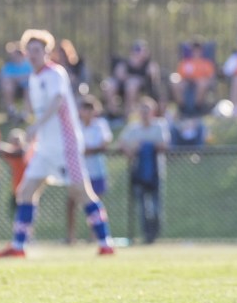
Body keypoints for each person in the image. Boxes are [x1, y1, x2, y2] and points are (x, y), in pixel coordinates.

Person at [0, 29, 114, 258]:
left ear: (47, 52)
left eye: (37, 50)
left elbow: (58, 101)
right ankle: (19, 247)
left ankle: (105, 242)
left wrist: (37, 125)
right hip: (45, 148)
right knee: (25, 191)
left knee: (82, 192)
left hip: (65, 145)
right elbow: (38, 109)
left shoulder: (55, 73)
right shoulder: (34, 77)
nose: (33, 54)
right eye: (29, 50)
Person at [118, 97, 170, 245]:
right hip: (139, 173)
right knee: (142, 208)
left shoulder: (159, 125)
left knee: (155, 207)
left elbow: (164, 144)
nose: (144, 114)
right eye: (142, 111)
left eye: (147, 111)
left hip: (156, 173)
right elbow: (121, 143)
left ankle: (155, 234)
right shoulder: (133, 128)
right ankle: (146, 236)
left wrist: (147, 146)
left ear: (152, 112)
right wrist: (132, 151)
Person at [66, 97, 113, 244]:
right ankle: (71, 237)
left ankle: (95, 236)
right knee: (71, 203)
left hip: (96, 170)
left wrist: (86, 150)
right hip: (78, 171)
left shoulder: (100, 124)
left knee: (94, 204)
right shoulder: (76, 125)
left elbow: (104, 144)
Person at [107, 40, 163, 118]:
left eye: (141, 50)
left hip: (143, 88)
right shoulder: (125, 62)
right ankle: (112, 112)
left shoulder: (149, 64)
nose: (139, 52)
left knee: (132, 84)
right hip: (123, 86)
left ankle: (128, 114)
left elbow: (154, 79)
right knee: (109, 84)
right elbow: (119, 75)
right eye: (137, 50)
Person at [173, 39, 218, 115]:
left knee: (202, 83)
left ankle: (197, 107)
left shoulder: (206, 63)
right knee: (175, 83)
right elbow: (180, 75)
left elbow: (211, 76)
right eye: (194, 50)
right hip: (187, 81)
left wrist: (202, 79)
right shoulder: (185, 62)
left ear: (201, 51)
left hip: (201, 82)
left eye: (198, 50)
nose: (196, 52)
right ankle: (182, 107)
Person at [0, 42, 32, 123]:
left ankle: (25, 114)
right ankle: (11, 111)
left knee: (28, 89)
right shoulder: (8, 66)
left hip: (26, 88)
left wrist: (17, 78)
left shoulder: (28, 64)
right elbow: (5, 78)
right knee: (7, 86)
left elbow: (31, 76)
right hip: (14, 89)